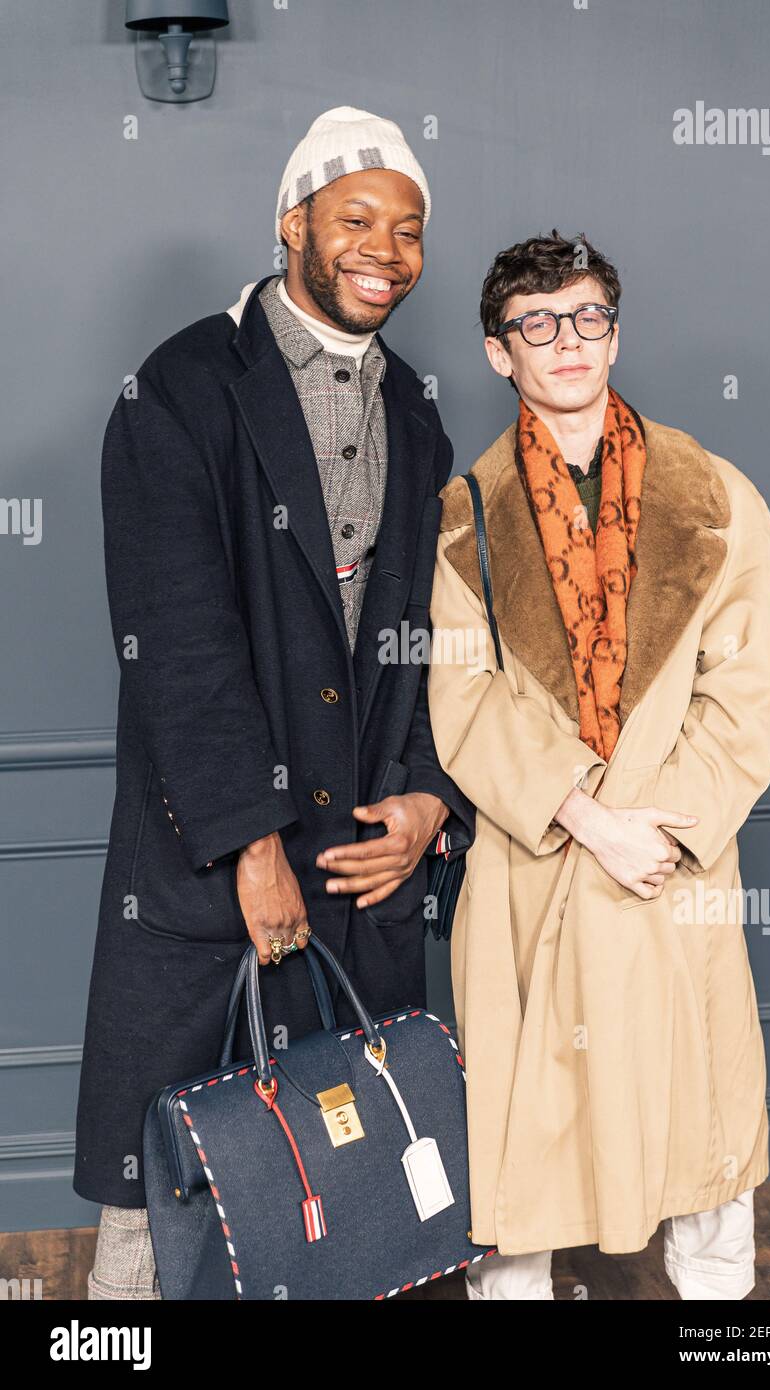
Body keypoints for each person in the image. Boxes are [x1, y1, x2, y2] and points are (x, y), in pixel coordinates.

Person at [76, 107, 474, 1299]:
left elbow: (423, 644)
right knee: (169, 1181)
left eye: (408, 231)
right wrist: (251, 843)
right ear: (292, 221)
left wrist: (423, 802)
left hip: (363, 866)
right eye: (357, 219)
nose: (386, 251)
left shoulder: (415, 408)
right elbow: (179, 646)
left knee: (345, 1189)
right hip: (214, 860)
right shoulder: (182, 391)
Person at [427, 230, 770, 1300]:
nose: (567, 342)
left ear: (614, 333)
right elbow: (463, 692)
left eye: (586, 319)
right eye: (538, 324)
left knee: (705, 1143)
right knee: (521, 1161)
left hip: (674, 873)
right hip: (539, 871)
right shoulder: (462, 521)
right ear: (501, 352)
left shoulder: (720, 500)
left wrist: (660, 829)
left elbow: (745, 691)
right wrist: (591, 819)